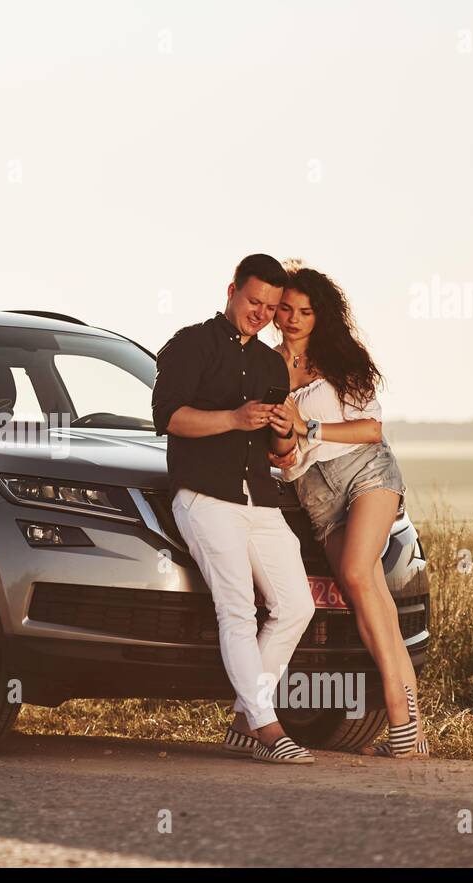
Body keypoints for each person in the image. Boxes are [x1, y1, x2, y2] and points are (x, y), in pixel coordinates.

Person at [152, 253, 317, 764]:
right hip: (203, 495)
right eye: (254, 301)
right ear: (231, 291)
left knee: (297, 605)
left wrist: (286, 433)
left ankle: (247, 717)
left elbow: (277, 453)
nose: (262, 314)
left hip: (259, 497)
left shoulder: (272, 364)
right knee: (238, 610)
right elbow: (170, 419)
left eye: (271, 306)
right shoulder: (189, 345)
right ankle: (266, 727)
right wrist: (234, 418)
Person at [268, 263, 428, 757]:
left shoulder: (341, 358)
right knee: (366, 596)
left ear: (321, 315)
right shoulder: (265, 366)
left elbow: (369, 430)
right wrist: (284, 442)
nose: (294, 318)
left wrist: (307, 428)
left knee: (359, 573)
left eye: (305, 311)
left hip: (366, 474)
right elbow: (282, 456)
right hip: (314, 495)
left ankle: (401, 723)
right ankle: (411, 733)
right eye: (287, 309)